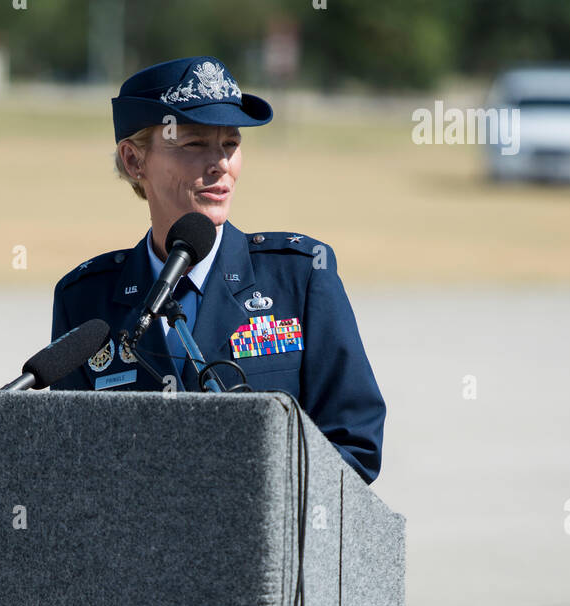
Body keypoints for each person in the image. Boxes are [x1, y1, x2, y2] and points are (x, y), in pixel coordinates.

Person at [49, 56, 386, 484]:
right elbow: (69, 459)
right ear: (134, 161)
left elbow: (355, 443)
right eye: (193, 144)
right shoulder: (85, 299)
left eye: (230, 144)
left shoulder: (299, 278)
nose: (220, 164)